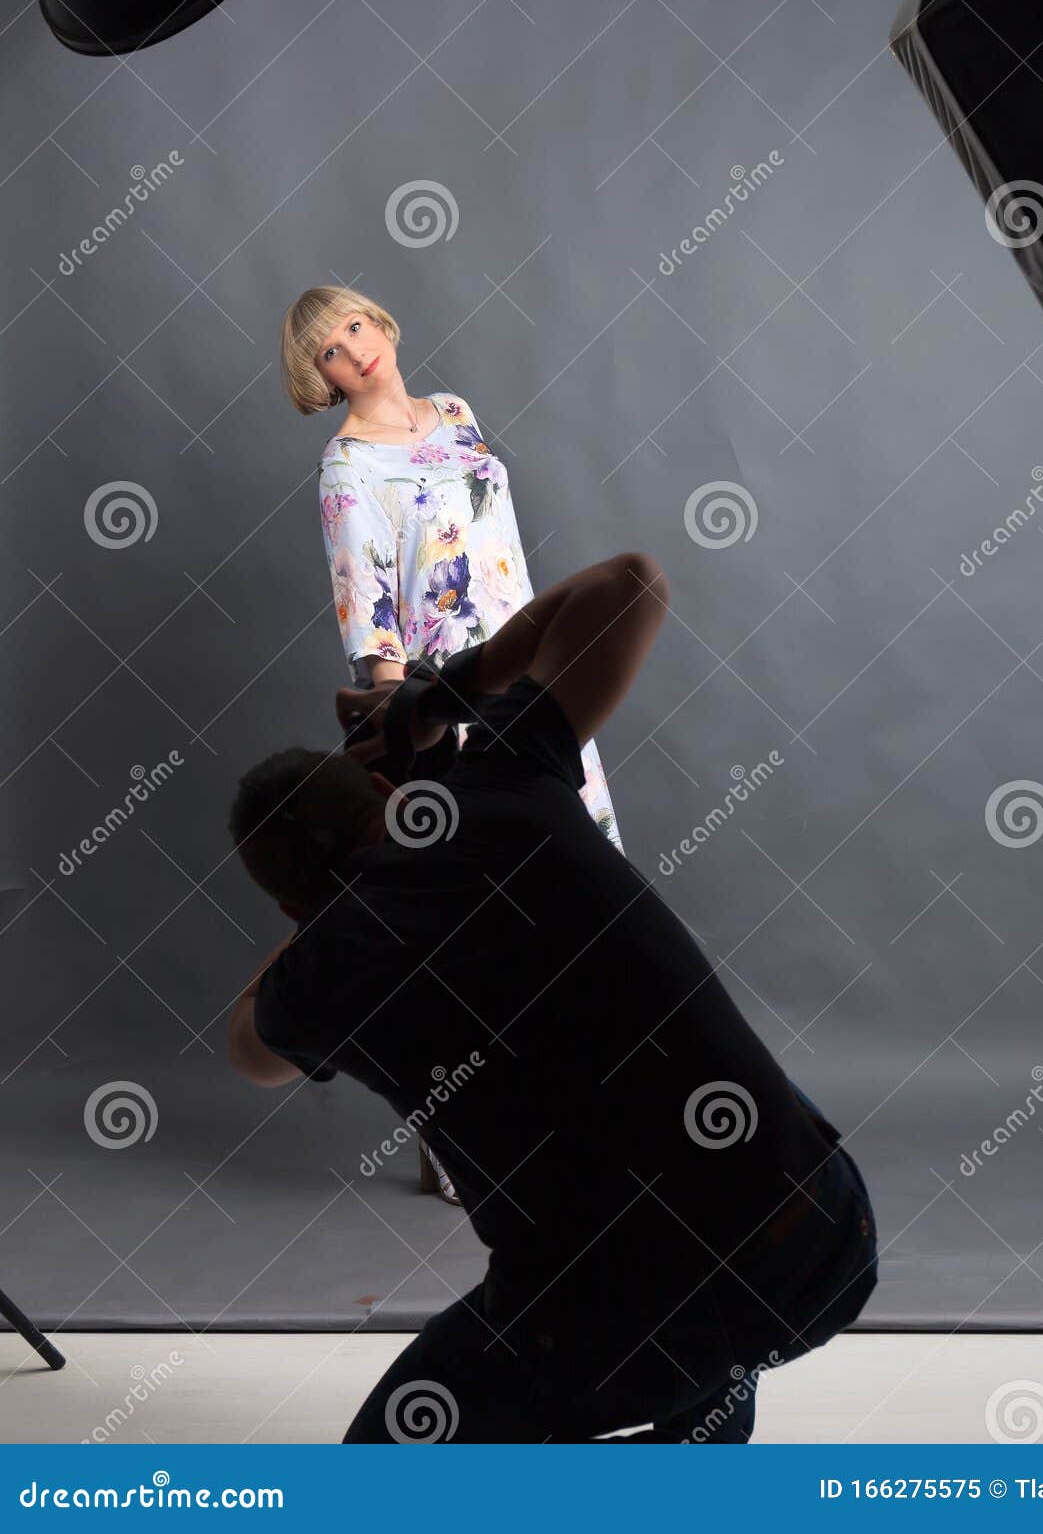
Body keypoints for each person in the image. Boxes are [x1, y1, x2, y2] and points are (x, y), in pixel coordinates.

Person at [227, 551, 878, 1443]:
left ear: (289, 907)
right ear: (386, 788)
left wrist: (325, 913)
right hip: (818, 1235)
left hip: (628, 1316)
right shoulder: (499, 789)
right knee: (687, 1208)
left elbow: (247, 1052)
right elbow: (631, 587)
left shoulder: (318, 979)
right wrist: (434, 701)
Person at [278, 286, 625, 1205]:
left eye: (354, 326)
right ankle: (459, 1140)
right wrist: (400, 750)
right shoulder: (346, 471)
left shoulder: (456, 414)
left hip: (533, 685)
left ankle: (577, 1116)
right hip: (448, 709)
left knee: (577, 893)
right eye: (326, 351)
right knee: (474, 926)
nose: (351, 351)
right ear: (317, 379)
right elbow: (372, 619)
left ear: (381, 324)